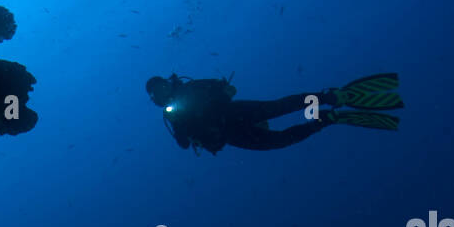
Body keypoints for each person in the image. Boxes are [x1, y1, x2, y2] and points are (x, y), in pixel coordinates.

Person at [145, 72, 403, 153]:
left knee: (280, 107)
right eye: (157, 93)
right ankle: (324, 120)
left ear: (168, 82)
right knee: (276, 142)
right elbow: (183, 145)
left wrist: (222, 92)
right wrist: (176, 119)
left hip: (234, 112)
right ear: (155, 99)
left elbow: (221, 86)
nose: (162, 93)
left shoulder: (190, 88)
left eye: (161, 86)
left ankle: (330, 97)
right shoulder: (172, 117)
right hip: (230, 135)